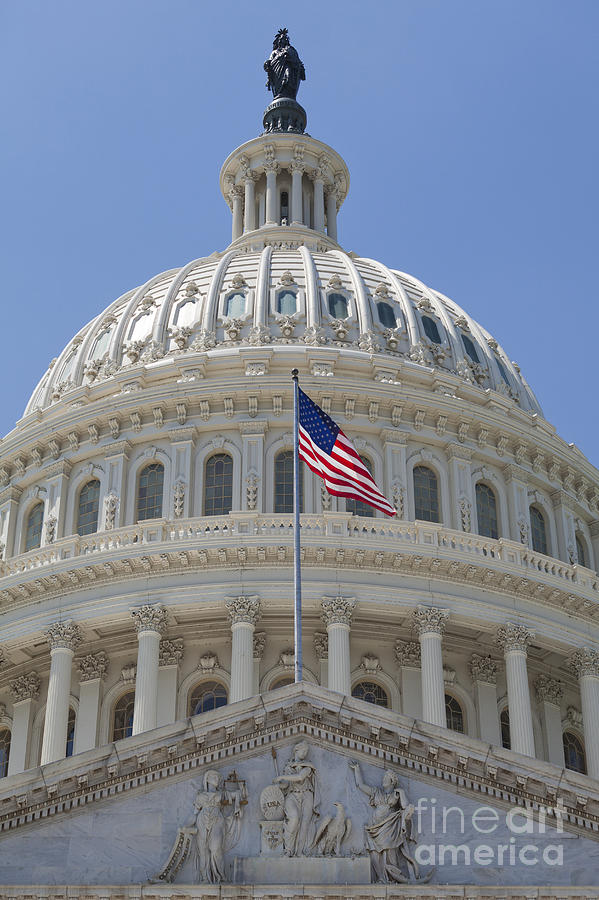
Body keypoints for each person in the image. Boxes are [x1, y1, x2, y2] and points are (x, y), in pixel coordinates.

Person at [349, 761, 420, 883]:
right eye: (384, 777)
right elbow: (360, 785)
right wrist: (356, 770)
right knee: (374, 851)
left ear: (392, 781)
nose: (383, 779)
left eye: (386, 777)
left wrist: (402, 793)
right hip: (374, 827)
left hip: (389, 827)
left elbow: (405, 806)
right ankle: (381, 877)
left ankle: (392, 877)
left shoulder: (396, 794)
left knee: (390, 854)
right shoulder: (377, 792)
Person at [193, 769, 243, 883]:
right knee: (203, 850)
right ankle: (205, 877)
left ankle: (220, 876)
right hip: (202, 821)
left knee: (216, 848)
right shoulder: (200, 797)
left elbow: (237, 794)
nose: (217, 779)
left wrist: (240, 786)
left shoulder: (222, 794)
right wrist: (186, 826)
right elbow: (194, 813)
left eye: (218, 777)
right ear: (207, 779)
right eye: (214, 777)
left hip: (217, 820)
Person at [273, 741, 319, 855]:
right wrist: (278, 786)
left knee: (305, 824)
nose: (305, 753)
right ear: (296, 750)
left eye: (306, 751)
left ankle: (300, 852)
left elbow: (300, 777)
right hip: (292, 795)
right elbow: (286, 785)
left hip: (307, 794)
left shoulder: (308, 766)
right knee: (294, 819)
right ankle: (288, 849)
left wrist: (281, 777)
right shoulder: (288, 766)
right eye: (303, 751)